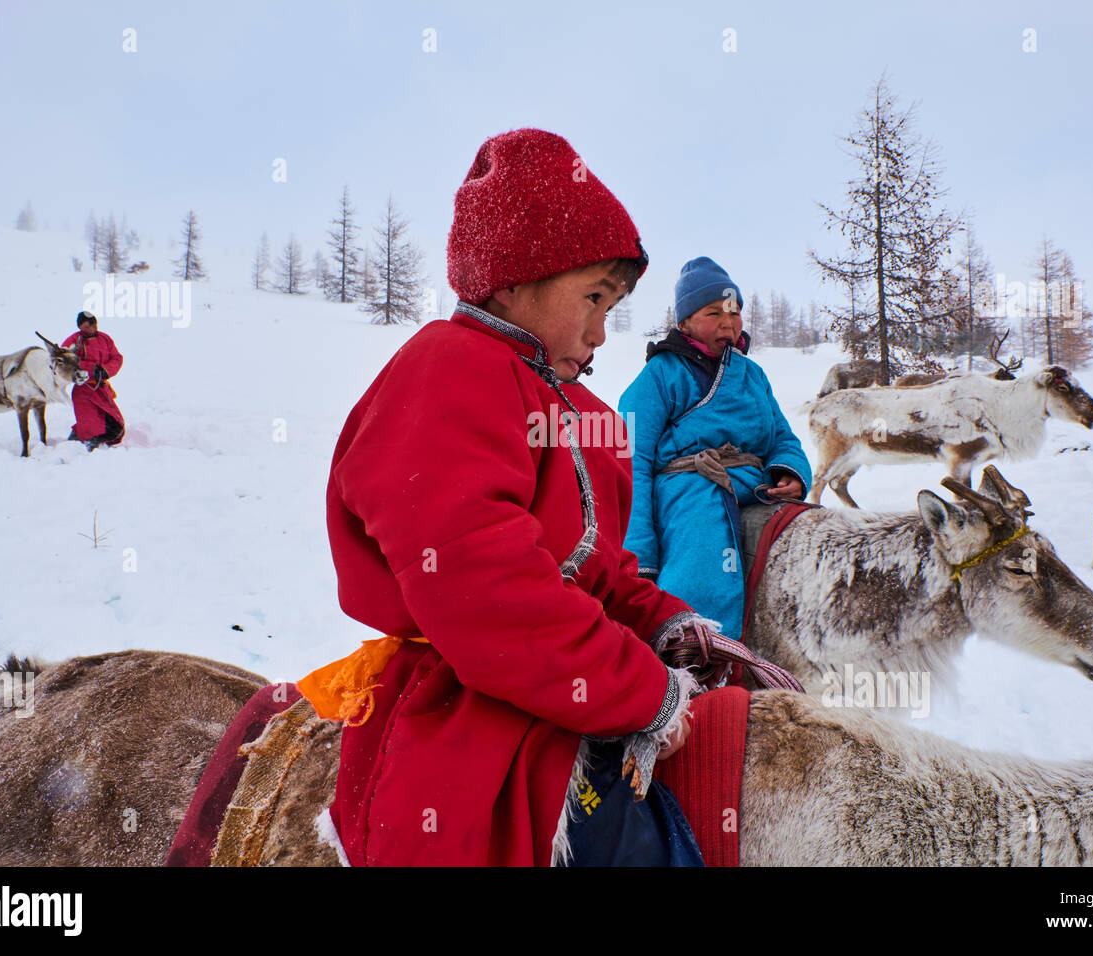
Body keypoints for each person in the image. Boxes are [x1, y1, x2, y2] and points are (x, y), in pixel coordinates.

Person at [297, 128, 721, 867]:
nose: (599, 330)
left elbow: (600, 570)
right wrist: (646, 692)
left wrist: (666, 625)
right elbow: (486, 592)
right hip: (467, 697)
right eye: (591, 296)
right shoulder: (447, 372)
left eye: (613, 304)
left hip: (567, 671)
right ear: (512, 278)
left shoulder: (575, 407)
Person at [619, 257, 812, 643]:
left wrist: (789, 471)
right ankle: (698, 649)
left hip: (754, 484)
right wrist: (639, 555)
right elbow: (631, 458)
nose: (729, 322)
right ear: (685, 322)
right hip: (691, 487)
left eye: (735, 311)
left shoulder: (752, 375)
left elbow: (781, 437)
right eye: (714, 312)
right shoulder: (662, 374)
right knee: (703, 557)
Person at [61, 310, 124, 450]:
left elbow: (117, 358)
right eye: (86, 328)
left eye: (92, 325)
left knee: (117, 425)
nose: (90, 329)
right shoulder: (73, 341)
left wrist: (105, 371)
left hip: (101, 388)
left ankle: (78, 435)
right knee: (92, 424)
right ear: (80, 328)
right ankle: (89, 441)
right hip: (83, 390)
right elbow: (64, 360)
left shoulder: (105, 339)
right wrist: (90, 369)